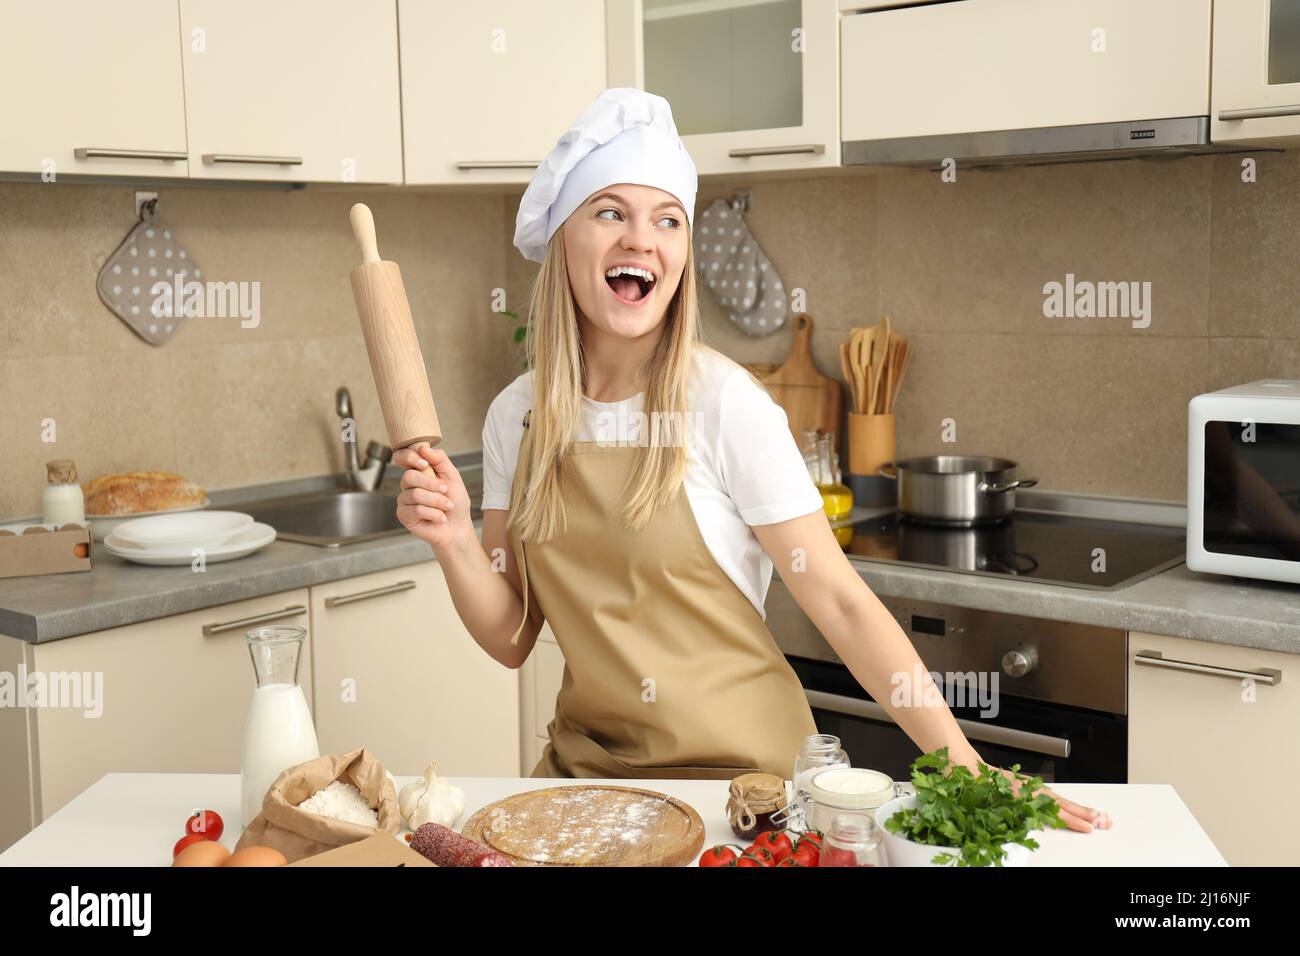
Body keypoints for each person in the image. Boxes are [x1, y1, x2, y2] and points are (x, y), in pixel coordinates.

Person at [395, 88, 1110, 833]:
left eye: (666, 220)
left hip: (746, 794)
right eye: (610, 211)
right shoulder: (519, 415)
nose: (641, 238)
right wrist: (451, 542)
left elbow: (838, 601)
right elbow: (513, 638)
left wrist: (961, 761)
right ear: (563, 239)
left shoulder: (725, 404)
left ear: (681, 256)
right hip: (588, 787)